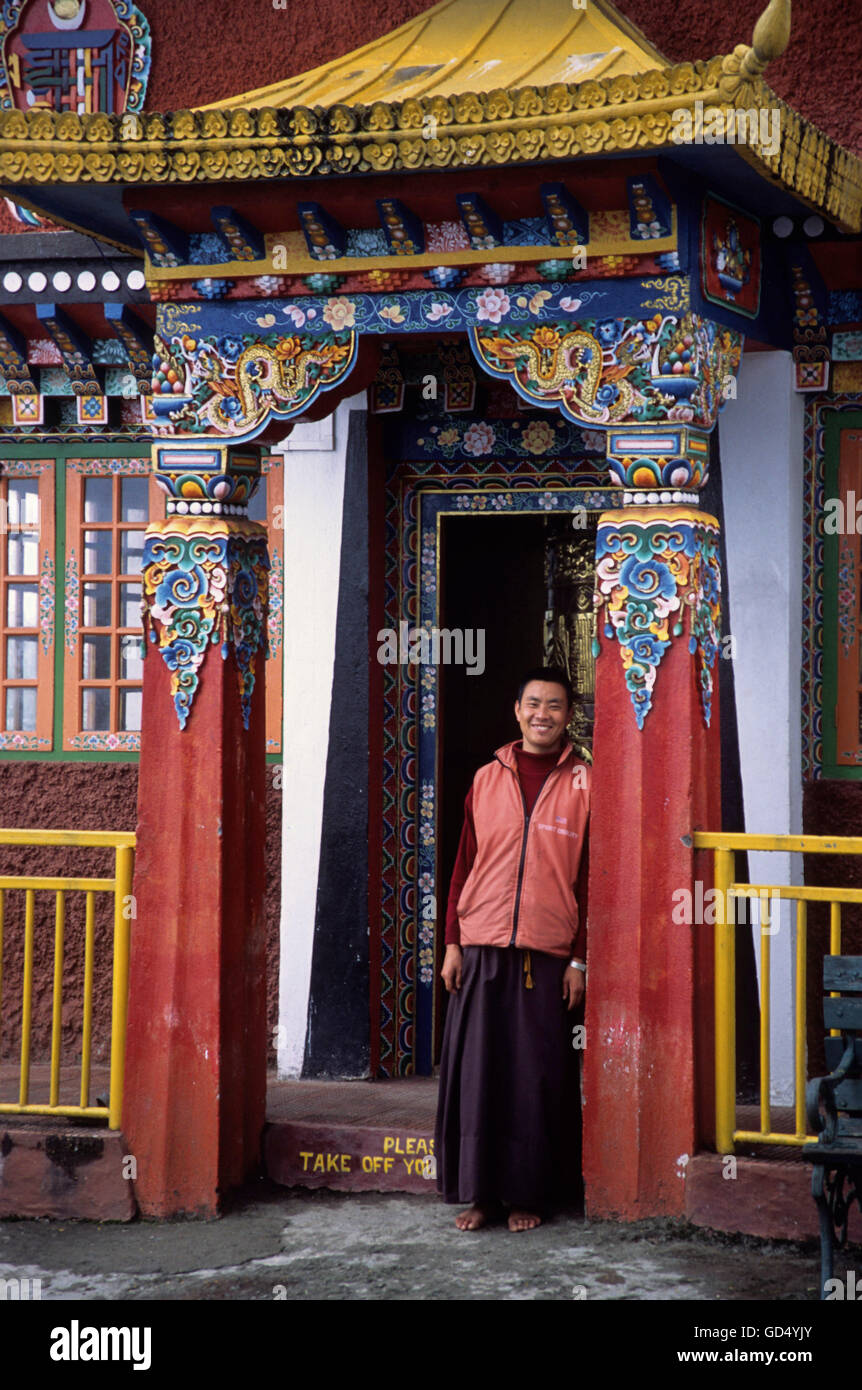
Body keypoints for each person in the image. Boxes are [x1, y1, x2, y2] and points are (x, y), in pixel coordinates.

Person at [434, 665, 590, 1232]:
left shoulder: (585, 784)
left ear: (568, 716)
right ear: (517, 710)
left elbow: (591, 881)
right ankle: (481, 1196)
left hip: (546, 956)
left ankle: (529, 1196)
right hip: (481, 949)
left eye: (554, 705)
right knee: (479, 1074)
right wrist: (452, 941)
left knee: (535, 1079)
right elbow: (462, 865)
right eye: (533, 704)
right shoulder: (486, 778)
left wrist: (579, 958)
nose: (542, 714)